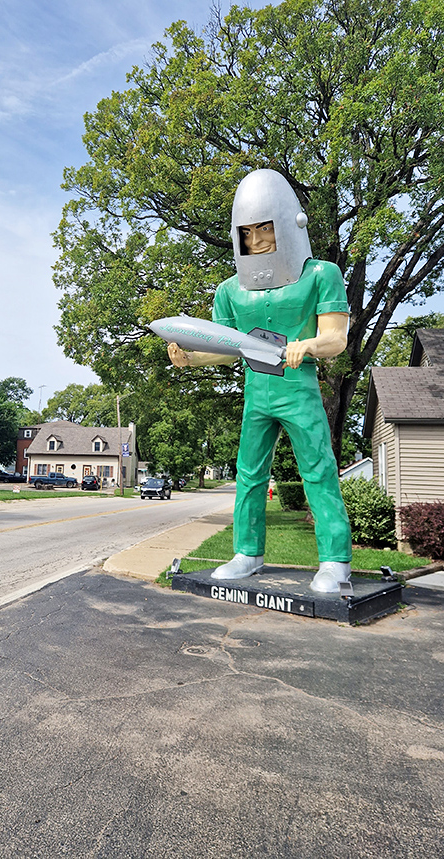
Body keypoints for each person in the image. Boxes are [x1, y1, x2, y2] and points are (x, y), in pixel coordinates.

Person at [167, 169, 352, 593]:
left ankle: (335, 561)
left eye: (264, 229)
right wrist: (191, 358)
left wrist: (307, 345)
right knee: (248, 473)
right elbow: (227, 346)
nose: (256, 239)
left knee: (318, 470)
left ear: (288, 225)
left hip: (297, 388)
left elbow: (336, 339)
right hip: (256, 391)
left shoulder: (320, 274)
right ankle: (247, 553)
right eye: (247, 232)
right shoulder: (230, 290)